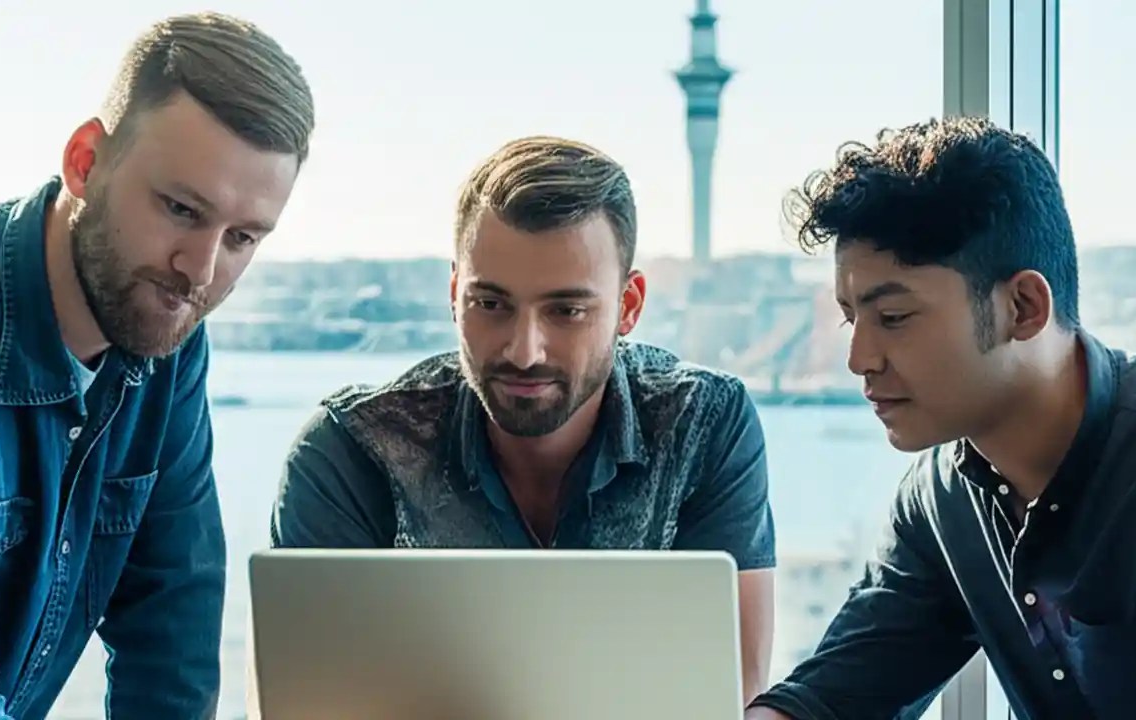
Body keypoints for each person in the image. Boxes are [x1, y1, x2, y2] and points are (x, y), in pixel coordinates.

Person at [746, 116, 1136, 720]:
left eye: (893, 318)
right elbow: (833, 697)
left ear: (1023, 308)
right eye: (852, 319)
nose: (858, 360)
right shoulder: (942, 499)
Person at [271, 136, 777, 703]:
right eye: (491, 304)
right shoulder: (353, 447)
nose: (524, 350)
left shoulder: (704, 424)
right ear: (455, 294)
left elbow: (734, 697)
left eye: (567, 311)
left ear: (629, 306)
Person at [0, 12, 313, 719]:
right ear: (85, 161)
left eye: (242, 237)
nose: (200, 271)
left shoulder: (164, 335)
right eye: (181, 208)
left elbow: (171, 632)